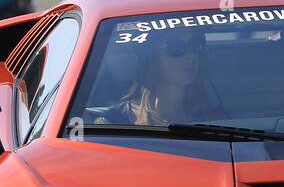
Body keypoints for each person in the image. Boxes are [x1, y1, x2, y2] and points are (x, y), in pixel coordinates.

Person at [91, 31, 225, 125]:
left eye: (196, 45)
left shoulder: (214, 119)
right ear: (151, 59)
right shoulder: (114, 122)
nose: (191, 56)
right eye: (176, 48)